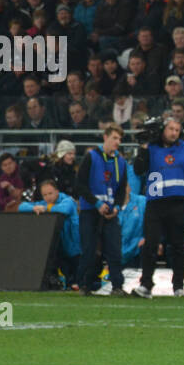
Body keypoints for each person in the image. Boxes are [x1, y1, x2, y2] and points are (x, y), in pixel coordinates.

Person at [132, 115, 184, 298]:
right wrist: (143, 149)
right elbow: (138, 169)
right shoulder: (151, 147)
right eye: (171, 129)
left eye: (177, 130)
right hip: (155, 204)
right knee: (151, 244)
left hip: (177, 203)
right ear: (163, 129)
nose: (174, 133)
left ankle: (178, 286)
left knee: (177, 246)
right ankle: (146, 285)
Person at [76, 125, 129, 296]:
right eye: (114, 138)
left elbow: (121, 189)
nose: (117, 142)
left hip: (110, 212)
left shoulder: (120, 162)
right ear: (105, 137)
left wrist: (117, 207)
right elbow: (80, 185)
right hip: (90, 211)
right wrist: (96, 203)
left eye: (120, 139)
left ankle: (117, 286)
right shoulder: (91, 157)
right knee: (90, 249)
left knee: (114, 249)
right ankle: (84, 284)